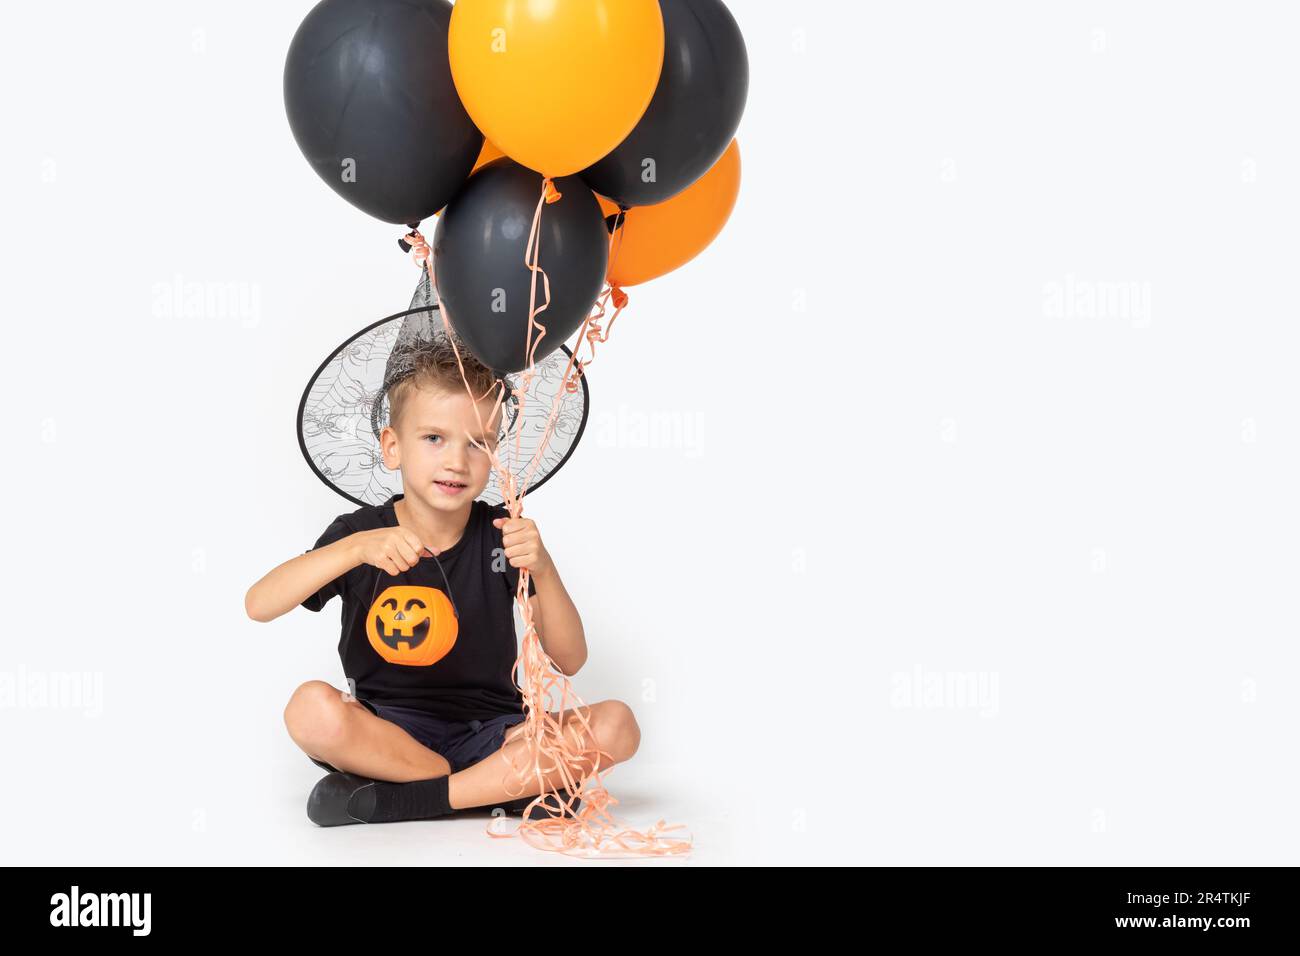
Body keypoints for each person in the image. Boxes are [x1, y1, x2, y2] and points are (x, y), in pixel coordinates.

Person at [245, 335, 640, 825]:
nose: (457, 461)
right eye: (434, 438)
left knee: (617, 725)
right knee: (309, 709)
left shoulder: (500, 534)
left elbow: (570, 659)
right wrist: (352, 551)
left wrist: (543, 567)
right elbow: (258, 604)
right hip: (390, 733)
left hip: (496, 732)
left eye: (478, 443)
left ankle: (412, 800)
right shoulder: (357, 535)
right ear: (392, 447)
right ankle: (505, 789)